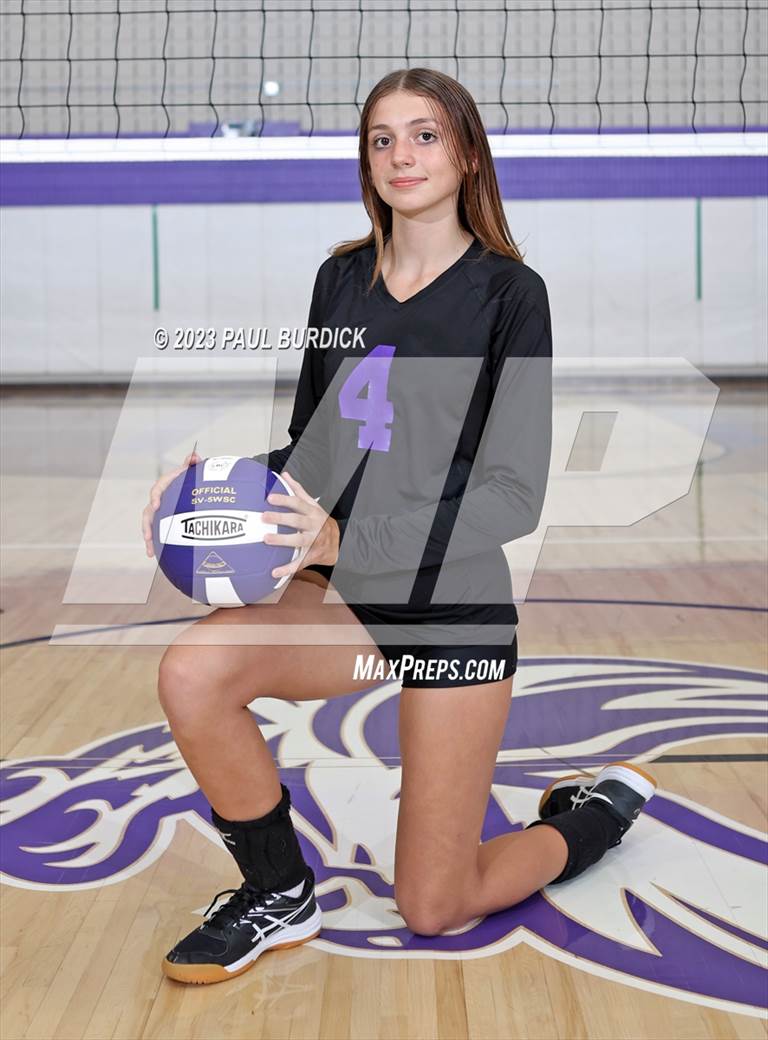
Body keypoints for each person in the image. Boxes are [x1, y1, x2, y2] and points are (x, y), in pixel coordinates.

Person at [142, 68, 655, 986]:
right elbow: (314, 454)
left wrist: (348, 542)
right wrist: (208, 494)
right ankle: (277, 891)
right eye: (382, 139)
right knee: (191, 671)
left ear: (466, 154)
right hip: (349, 600)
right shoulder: (340, 280)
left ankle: (595, 815)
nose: (401, 155)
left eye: (424, 135)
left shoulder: (510, 294)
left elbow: (513, 497)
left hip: (452, 611)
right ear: (365, 160)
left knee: (436, 905)